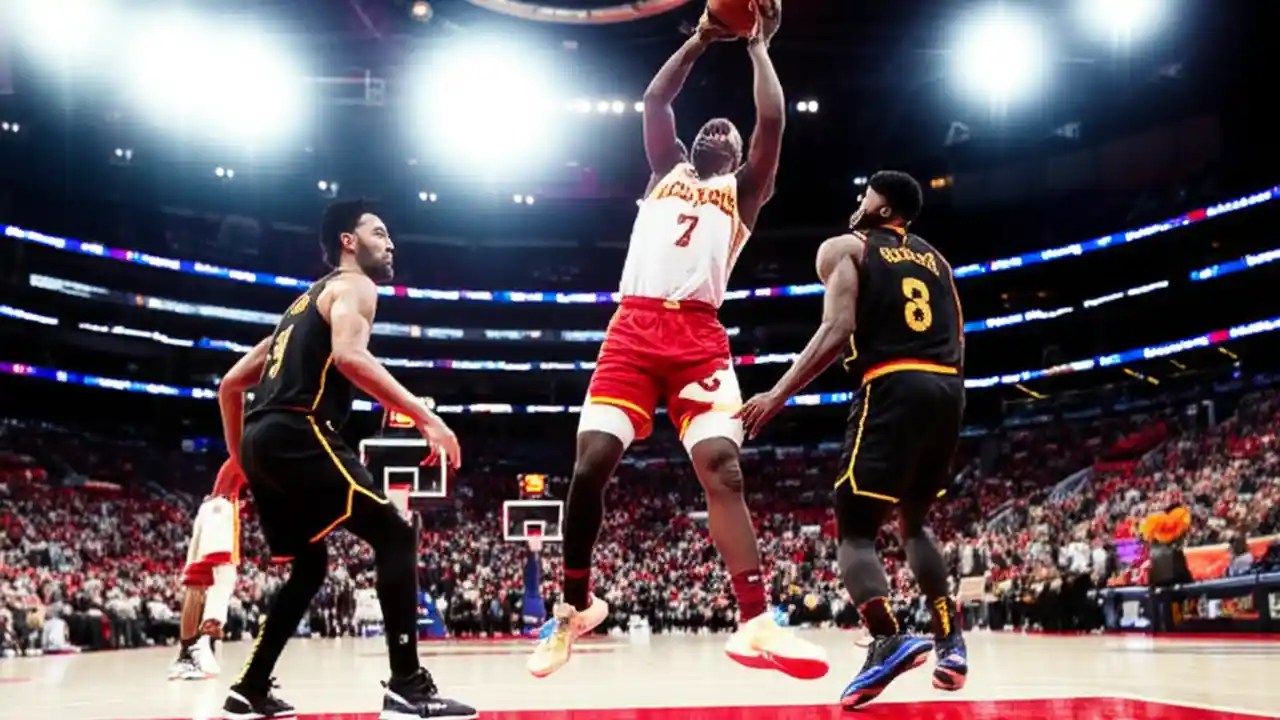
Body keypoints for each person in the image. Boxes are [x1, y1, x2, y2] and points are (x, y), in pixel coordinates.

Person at [528, 1, 828, 682]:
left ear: (738, 157)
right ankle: (574, 607)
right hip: (633, 329)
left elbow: (772, 122)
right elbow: (655, 102)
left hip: (698, 335)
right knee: (589, 465)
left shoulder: (744, 192)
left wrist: (758, 46)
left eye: (729, 129)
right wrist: (699, 39)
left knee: (724, 469)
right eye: (710, 125)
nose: (718, 127)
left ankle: (755, 622)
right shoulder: (665, 171)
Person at [217, 200, 476, 720]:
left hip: (263, 441)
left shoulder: (297, 310)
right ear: (348, 242)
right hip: (298, 428)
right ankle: (407, 687)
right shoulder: (355, 286)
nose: (391, 243)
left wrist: (240, 456)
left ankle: (249, 688)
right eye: (379, 232)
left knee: (310, 567)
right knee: (396, 534)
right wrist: (425, 417)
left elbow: (230, 385)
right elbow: (350, 357)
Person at [737, 170, 968, 708]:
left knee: (855, 530)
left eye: (866, 195)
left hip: (892, 383)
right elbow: (959, 336)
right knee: (915, 524)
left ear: (883, 208)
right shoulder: (939, 262)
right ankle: (950, 643)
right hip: (949, 390)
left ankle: (887, 637)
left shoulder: (847, 247)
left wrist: (777, 394)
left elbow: (837, 328)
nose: (858, 201)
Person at [167, 459, 243, 681]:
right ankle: (204, 644)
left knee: (197, 580)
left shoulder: (240, 455)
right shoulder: (254, 448)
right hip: (221, 509)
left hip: (211, 509)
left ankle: (186, 653)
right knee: (221, 578)